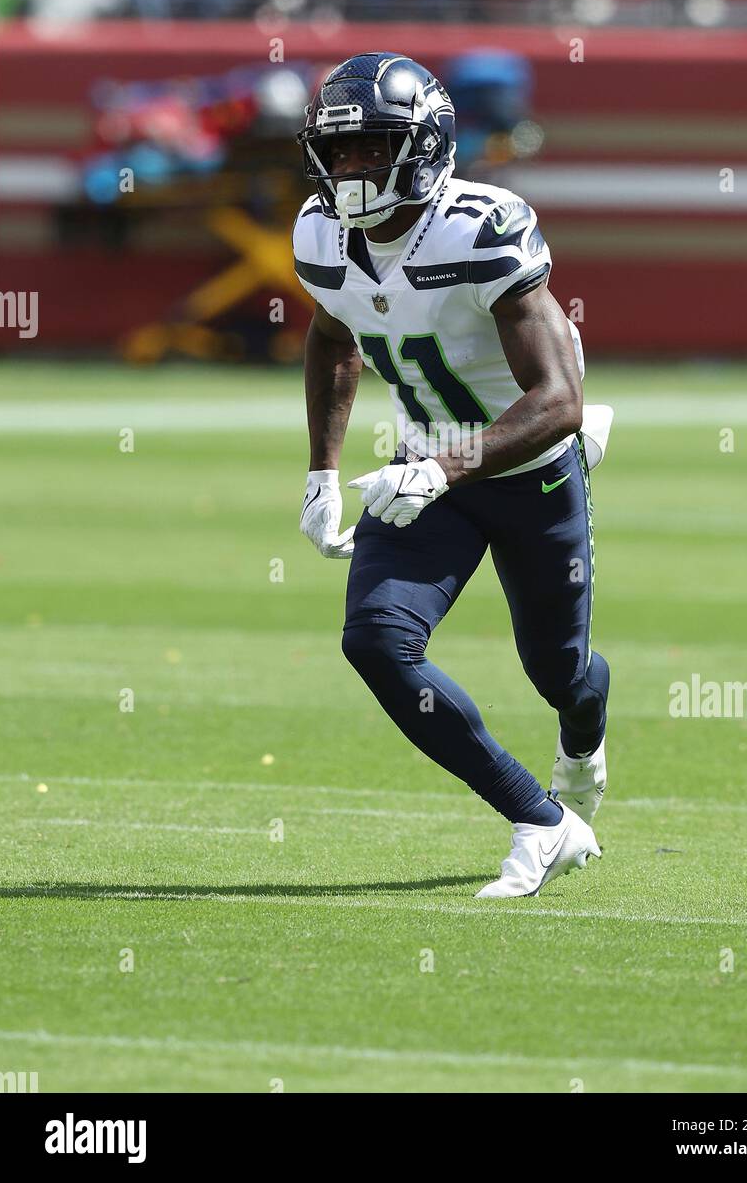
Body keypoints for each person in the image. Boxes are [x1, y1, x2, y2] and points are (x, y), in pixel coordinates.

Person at [293, 52, 611, 899]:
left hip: (528, 466)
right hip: (423, 460)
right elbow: (332, 334)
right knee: (376, 642)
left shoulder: (481, 227)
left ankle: (584, 738)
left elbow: (560, 400)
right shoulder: (320, 235)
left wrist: (444, 467)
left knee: (561, 672)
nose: (351, 168)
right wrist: (323, 472)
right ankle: (542, 821)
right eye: (340, 150)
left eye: (372, 148)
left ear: (424, 147)